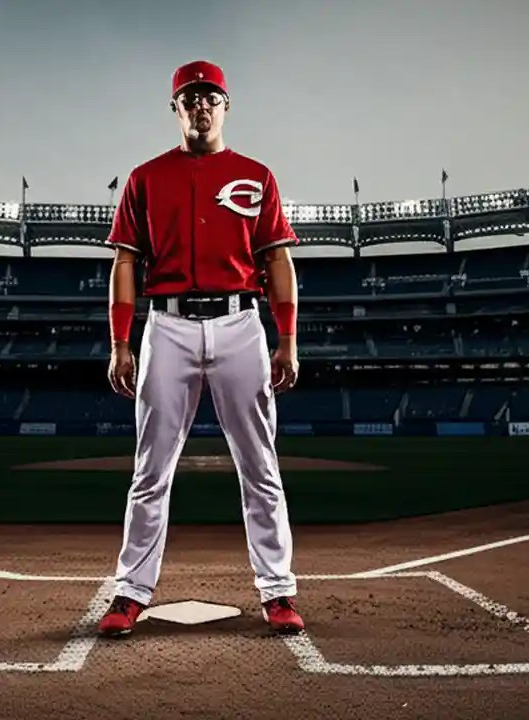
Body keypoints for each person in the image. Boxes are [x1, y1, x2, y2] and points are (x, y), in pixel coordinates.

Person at [96, 59, 304, 637]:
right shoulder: (145, 178)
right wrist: (119, 343)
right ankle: (131, 591)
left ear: (226, 106)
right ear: (176, 108)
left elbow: (277, 259)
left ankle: (278, 590)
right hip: (168, 327)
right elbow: (125, 262)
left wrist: (287, 339)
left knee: (260, 465)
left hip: (241, 324)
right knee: (150, 470)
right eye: (190, 98)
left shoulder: (255, 175)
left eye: (211, 97)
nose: (201, 106)